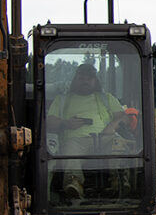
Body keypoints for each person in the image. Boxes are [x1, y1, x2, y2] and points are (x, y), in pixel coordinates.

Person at [45, 64, 133, 200]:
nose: (85, 81)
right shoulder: (62, 100)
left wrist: (111, 127)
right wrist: (65, 123)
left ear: (95, 81)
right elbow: (49, 122)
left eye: (89, 78)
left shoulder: (106, 98)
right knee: (70, 153)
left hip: (105, 138)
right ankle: (74, 185)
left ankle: (120, 182)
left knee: (118, 144)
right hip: (75, 140)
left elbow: (124, 117)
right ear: (75, 80)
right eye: (81, 78)